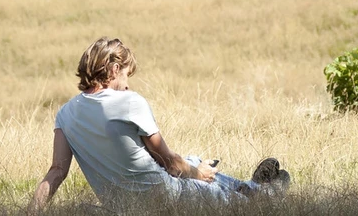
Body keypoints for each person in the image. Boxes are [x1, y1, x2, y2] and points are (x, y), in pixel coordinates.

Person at [26, 38, 291, 213]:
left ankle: (251, 186)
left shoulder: (65, 114)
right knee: (231, 200)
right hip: (168, 198)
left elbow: (56, 172)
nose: (127, 84)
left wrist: (30, 212)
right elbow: (170, 163)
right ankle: (265, 195)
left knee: (194, 160)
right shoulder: (129, 102)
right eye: (126, 75)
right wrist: (198, 174)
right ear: (114, 69)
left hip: (123, 207)